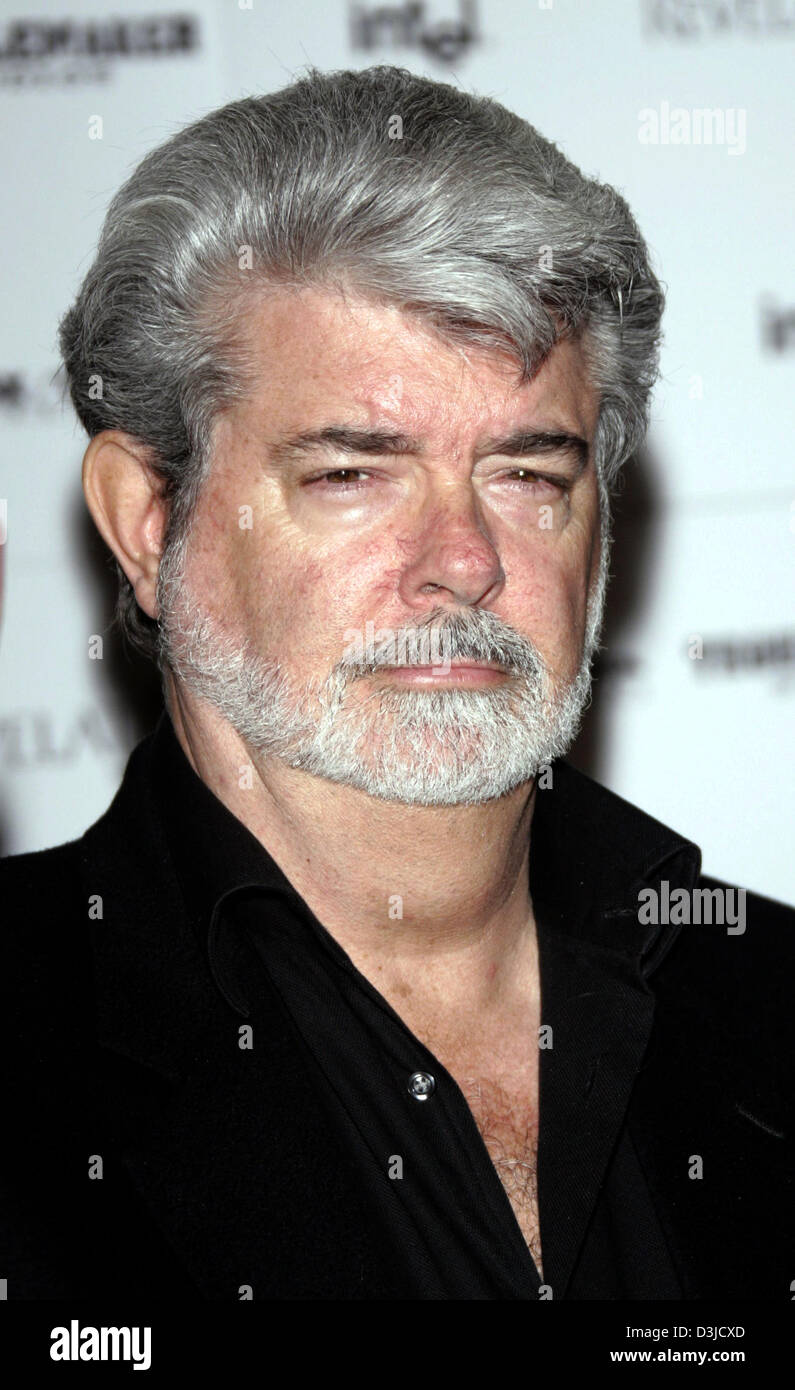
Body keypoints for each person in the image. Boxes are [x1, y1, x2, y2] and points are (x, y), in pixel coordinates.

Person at [2, 65, 792, 1301]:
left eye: (528, 475)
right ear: (149, 520)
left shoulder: (768, 991)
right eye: (353, 475)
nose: (465, 563)